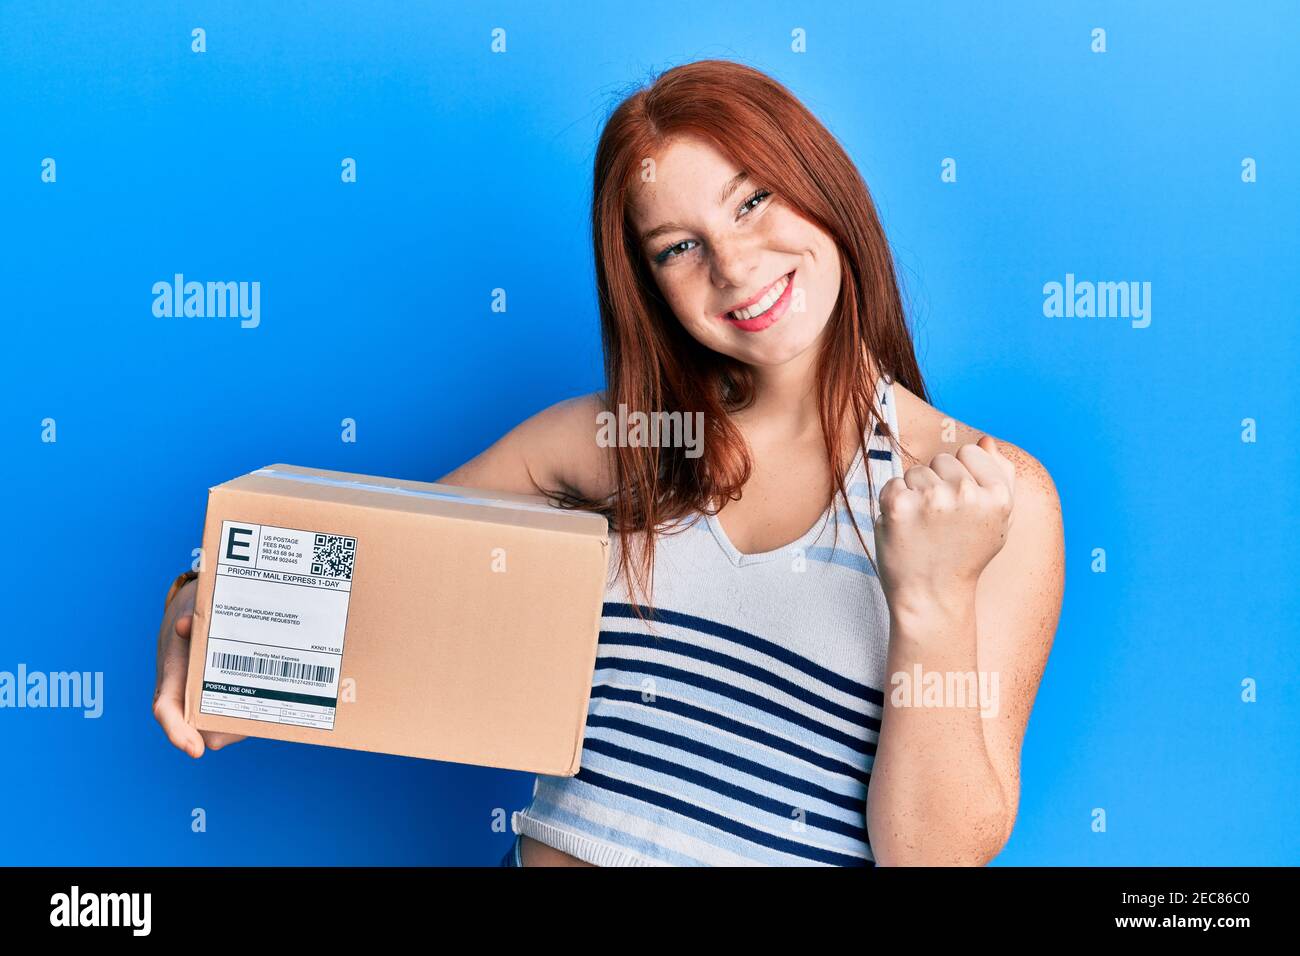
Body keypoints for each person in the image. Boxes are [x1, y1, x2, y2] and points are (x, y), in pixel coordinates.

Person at [154, 58, 1065, 867]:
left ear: (823, 187)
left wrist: (931, 598)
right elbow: (366, 569)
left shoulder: (987, 497)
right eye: (679, 247)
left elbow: (933, 857)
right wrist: (199, 602)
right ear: (650, 283)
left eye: (753, 200)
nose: (736, 266)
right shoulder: (627, 443)